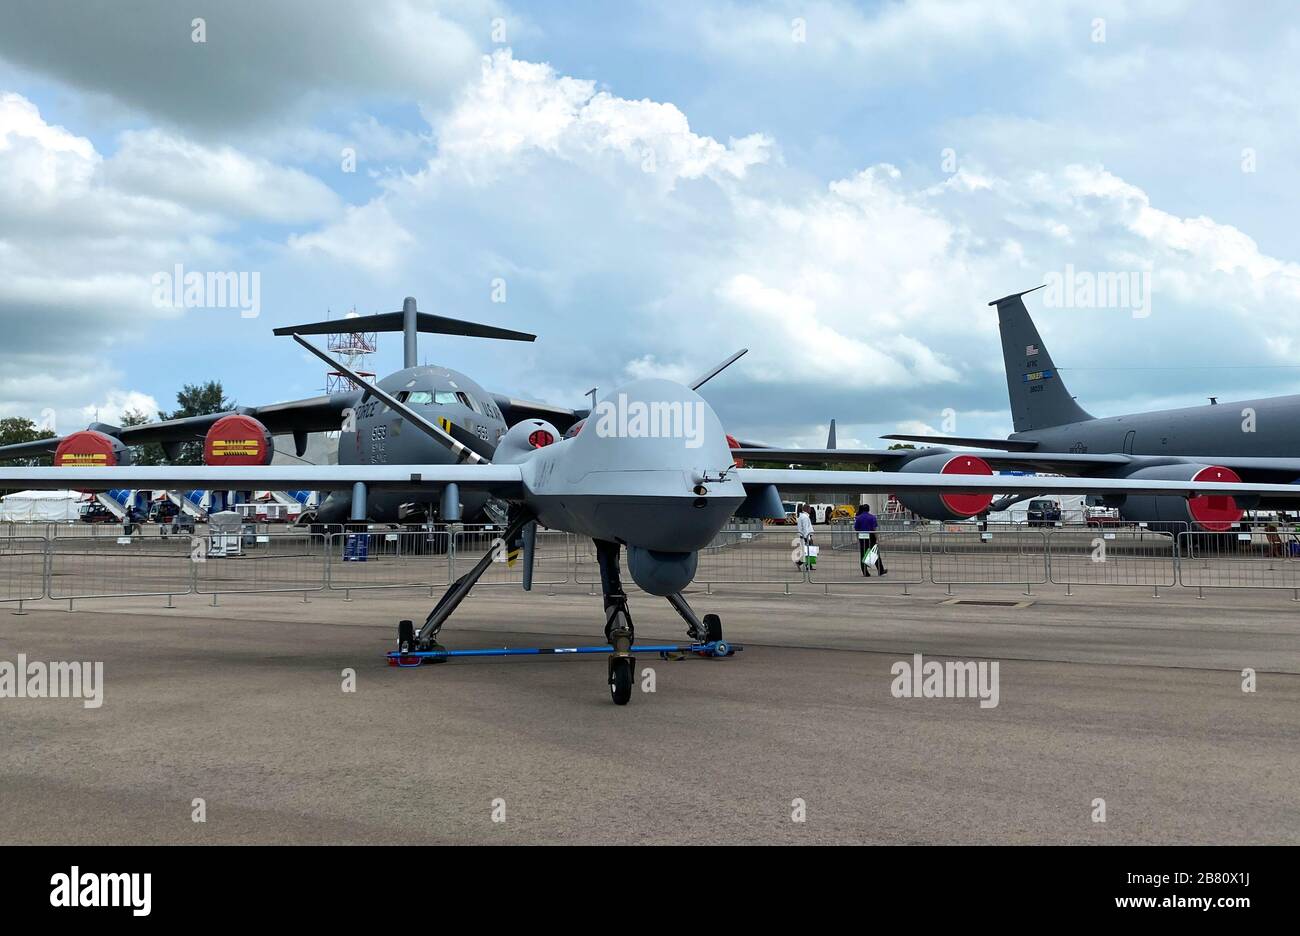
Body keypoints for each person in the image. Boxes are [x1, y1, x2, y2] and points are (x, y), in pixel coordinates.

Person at [854, 503, 887, 576]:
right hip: (871, 536)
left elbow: (856, 529)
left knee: (863, 554)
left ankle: (865, 572)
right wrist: (877, 538)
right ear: (868, 509)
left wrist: (857, 538)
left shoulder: (858, 518)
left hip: (862, 537)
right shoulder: (872, 517)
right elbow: (874, 529)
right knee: (875, 553)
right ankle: (880, 570)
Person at [796, 504, 815, 569]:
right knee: (808, 552)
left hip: (805, 536)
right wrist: (808, 538)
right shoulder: (805, 517)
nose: (810, 510)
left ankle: (809, 566)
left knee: (809, 551)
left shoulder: (803, 516)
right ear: (806, 509)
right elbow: (805, 528)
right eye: (809, 509)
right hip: (805, 537)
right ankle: (800, 563)